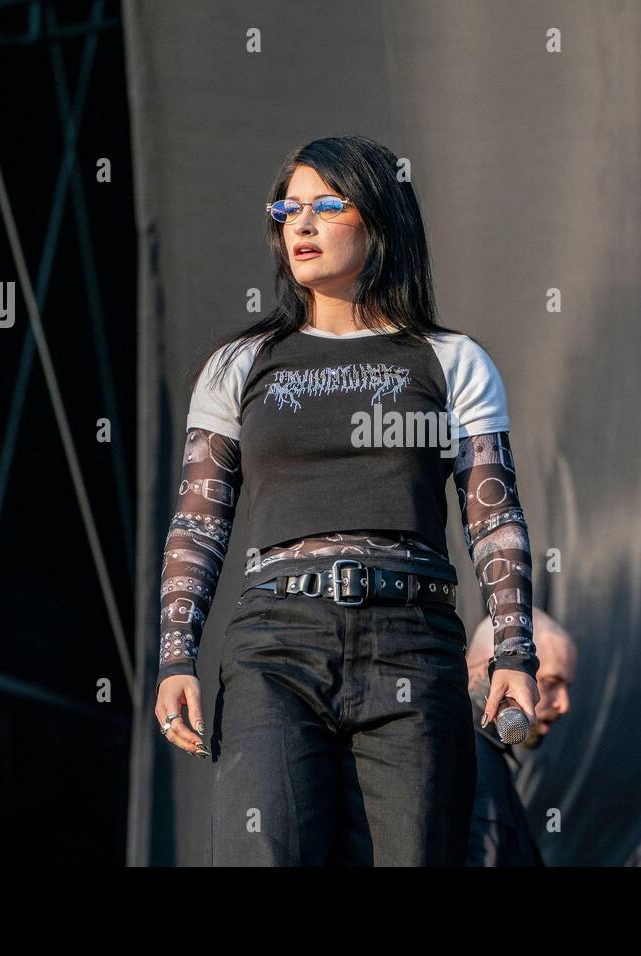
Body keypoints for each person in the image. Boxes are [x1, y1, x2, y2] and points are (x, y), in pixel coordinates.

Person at [153, 134, 540, 865]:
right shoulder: (241, 363)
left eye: (327, 205)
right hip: (275, 644)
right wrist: (177, 658)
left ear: (381, 220)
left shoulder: (451, 359)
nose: (300, 223)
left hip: (411, 639)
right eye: (288, 208)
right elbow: (197, 521)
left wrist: (513, 646)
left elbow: (492, 511)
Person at [466, 608, 577, 866]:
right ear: (494, 672)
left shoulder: (483, 754)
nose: (564, 704)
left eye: (566, 687)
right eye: (551, 682)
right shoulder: (465, 757)